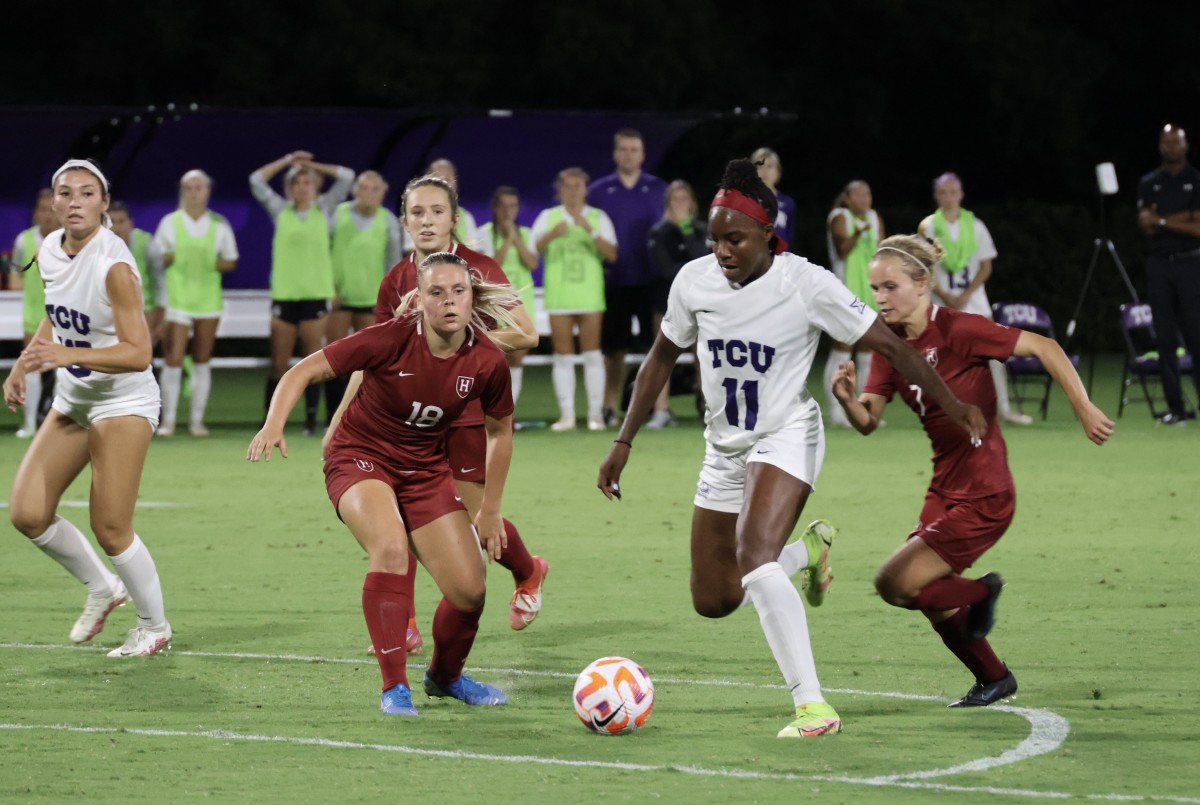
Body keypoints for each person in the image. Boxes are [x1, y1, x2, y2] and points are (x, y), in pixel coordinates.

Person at [597, 159, 986, 738]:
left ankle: (813, 706)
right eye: (714, 238)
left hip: (787, 435)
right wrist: (623, 440)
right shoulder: (693, 281)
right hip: (723, 448)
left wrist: (952, 403)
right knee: (715, 598)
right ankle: (807, 552)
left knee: (754, 556)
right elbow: (659, 357)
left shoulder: (805, 283)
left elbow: (894, 347)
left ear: (766, 235)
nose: (722, 250)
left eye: (735, 239)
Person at [832, 234, 1113, 707]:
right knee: (927, 596)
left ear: (922, 285)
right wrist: (846, 399)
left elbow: (1045, 347)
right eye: (874, 288)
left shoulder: (961, 329)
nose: (878, 298)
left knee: (895, 583)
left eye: (889, 287)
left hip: (985, 493)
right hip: (943, 490)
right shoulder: (889, 349)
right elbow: (868, 421)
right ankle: (993, 677)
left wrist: (1082, 407)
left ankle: (982, 595)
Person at [249, 251, 518, 715]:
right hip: (359, 458)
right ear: (419, 299)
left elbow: (499, 431)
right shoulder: (391, 339)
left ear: (472, 296)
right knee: (390, 548)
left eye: (459, 291)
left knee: (470, 589)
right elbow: (303, 369)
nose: (449, 302)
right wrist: (275, 423)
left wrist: (490, 509)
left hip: (424, 470)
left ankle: (445, 677)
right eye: (436, 292)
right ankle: (395, 687)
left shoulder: (487, 361)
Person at [329, 174, 544, 653]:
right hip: (405, 425)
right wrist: (338, 422)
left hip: (464, 414)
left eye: (437, 212)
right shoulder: (396, 281)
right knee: (398, 517)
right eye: (418, 213)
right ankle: (404, 624)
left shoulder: (479, 268)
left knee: (471, 518)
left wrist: (466, 345)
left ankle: (529, 569)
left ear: (454, 219)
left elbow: (527, 334)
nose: (427, 221)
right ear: (404, 220)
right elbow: (371, 359)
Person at [3, 159, 171, 657]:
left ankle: (155, 626)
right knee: (28, 513)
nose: (75, 201)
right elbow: (59, 317)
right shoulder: (50, 248)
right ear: (53, 202)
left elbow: (139, 351)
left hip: (123, 399)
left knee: (111, 526)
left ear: (104, 203)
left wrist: (67, 355)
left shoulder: (113, 264)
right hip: (76, 398)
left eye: (86, 193)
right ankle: (104, 588)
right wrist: (23, 363)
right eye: (65, 192)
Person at [249, 150, 354, 435]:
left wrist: (311, 165)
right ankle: (270, 422)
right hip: (284, 295)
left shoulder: (325, 209)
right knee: (279, 363)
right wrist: (286, 161)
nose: (302, 187)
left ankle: (310, 421)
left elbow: (347, 177)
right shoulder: (279, 210)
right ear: (289, 187)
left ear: (315, 185)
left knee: (311, 361)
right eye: (296, 182)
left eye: (307, 182)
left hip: (315, 295)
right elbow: (256, 180)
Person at [919, 173, 1032, 426]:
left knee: (993, 355)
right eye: (942, 192)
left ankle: (1003, 409)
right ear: (936, 196)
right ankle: (943, 410)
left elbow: (985, 266)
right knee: (940, 357)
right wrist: (946, 296)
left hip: (974, 302)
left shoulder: (976, 225)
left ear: (960, 195)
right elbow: (924, 266)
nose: (948, 197)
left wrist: (966, 294)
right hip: (941, 301)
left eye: (952, 192)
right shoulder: (929, 227)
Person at [589, 129, 667, 427]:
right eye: (624, 149)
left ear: (642, 155)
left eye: (635, 149)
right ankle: (609, 407)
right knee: (614, 349)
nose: (629, 154)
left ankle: (659, 409)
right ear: (615, 154)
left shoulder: (658, 188)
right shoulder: (598, 191)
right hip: (614, 281)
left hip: (651, 279)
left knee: (656, 347)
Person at [152, 170, 239, 437]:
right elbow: (158, 257)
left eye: (198, 187)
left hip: (208, 301)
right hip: (177, 300)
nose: (193, 192)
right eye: (188, 188)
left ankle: (196, 421)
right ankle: (168, 421)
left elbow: (230, 260)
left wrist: (210, 262)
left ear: (207, 191)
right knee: (173, 358)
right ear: (182, 191)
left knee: (202, 358)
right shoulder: (169, 223)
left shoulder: (219, 224)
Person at [532, 167, 617, 431]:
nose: (572, 191)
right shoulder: (548, 217)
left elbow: (612, 254)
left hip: (590, 296)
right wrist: (551, 234)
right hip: (560, 296)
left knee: (592, 355)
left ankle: (595, 416)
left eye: (577, 186)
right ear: (559, 190)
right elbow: (533, 249)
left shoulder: (597, 217)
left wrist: (590, 231)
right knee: (563, 357)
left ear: (586, 189)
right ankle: (566, 416)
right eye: (567, 186)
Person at [324, 170, 402, 421]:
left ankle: (363, 417)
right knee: (334, 360)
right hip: (340, 300)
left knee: (369, 364)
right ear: (355, 190)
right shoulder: (339, 214)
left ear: (383, 193)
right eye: (364, 188)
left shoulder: (388, 220)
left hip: (372, 301)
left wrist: (391, 298)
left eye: (375, 189)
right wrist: (328, 288)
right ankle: (331, 417)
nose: (369, 194)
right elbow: (323, 252)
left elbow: (393, 264)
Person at [1136, 123, 1200, 424]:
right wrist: (1181, 218)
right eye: (1164, 142)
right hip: (1160, 265)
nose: (1169, 147)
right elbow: (1145, 226)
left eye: (1175, 142)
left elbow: (1199, 228)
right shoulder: (1148, 182)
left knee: (1196, 335)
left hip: (1191, 264)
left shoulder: (1196, 180)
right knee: (1164, 338)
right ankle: (1176, 409)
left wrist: (1161, 220)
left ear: (1185, 146)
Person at [645, 179, 709, 427]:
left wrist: (686, 228)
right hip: (666, 303)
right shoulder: (658, 232)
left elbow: (702, 260)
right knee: (662, 357)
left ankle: (708, 407)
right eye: (675, 199)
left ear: (692, 203)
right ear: (667, 203)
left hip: (701, 303)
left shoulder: (702, 230)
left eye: (685, 199)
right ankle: (661, 410)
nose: (680, 204)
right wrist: (689, 272)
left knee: (704, 357)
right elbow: (664, 268)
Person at [823, 180, 885, 428]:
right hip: (844, 293)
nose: (865, 198)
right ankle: (837, 410)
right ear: (847, 198)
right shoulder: (839, 216)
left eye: (868, 193)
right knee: (842, 350)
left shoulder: (874, 217)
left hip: (869, 292)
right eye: (859, 194)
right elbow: (842, 251)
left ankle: (862, 410)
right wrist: (858, 233)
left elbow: (883, 249)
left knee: (867, 352)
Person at [476, 185, 539, 407]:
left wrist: (516, 238)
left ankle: (508, 410)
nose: (507, 211)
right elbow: (491, 265)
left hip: (522, 303)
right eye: (503, 206)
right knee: (495, 357)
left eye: (512, 206)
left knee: (517, 358)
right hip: (493, 303)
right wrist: (508, 240)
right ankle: (489, 408)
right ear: (495, 207)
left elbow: (531, 263)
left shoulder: (526, 234)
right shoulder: (483, 233)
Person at [7, 189, 59, 437]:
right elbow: (15, 272)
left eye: (50, 209)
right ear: (35, 213)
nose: (47, 215)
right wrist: (16, 281)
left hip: (63, 316)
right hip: (33, 315)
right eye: (42, 209)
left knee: (66, 371)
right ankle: (29, 424)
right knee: (33, 370)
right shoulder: (24, 240)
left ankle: (60, 424)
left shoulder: (68, 240)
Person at [109, 202, 167, 351]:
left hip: (143, 310)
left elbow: (159, 281)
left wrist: (160, 316)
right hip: (108, 311)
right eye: (112, 222)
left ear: (130, 223)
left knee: (140, 357)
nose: (116, 227)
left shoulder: (146, 243)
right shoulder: (95, 246)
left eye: (121, 222)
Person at [400, 158, 478, 251]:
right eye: (437, 179)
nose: (442, 184)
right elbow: (412, 252)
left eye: (447, 179)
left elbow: (474, 254)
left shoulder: (466, 218)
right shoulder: (413, 213)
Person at [751, 147, 797, 248]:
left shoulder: (788, 203)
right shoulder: (744, 200)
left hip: (781, 259)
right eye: (759, 166)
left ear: (778, 171)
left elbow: (789, 235)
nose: (764, 171)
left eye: (769, 166)